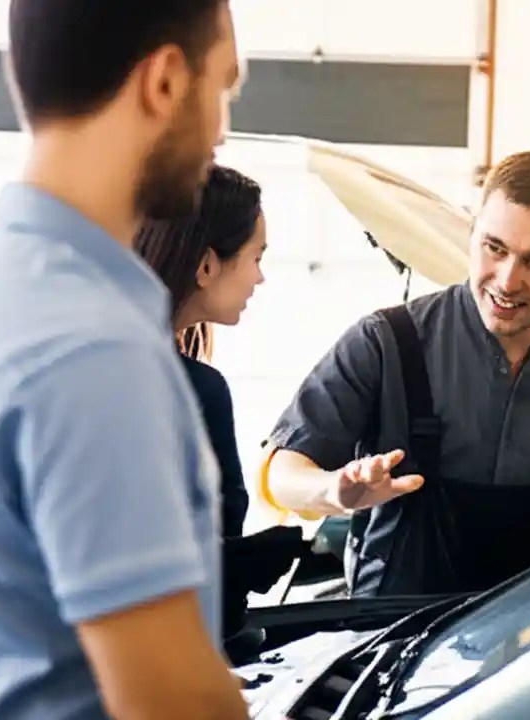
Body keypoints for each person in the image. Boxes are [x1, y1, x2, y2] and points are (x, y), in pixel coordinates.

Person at [0, 2, 250, 718]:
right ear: (167, 82)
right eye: (224, 88)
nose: (222, 127)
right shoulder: (92, 344)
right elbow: (175, 706)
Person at [263, 150, 530, 597]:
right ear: (473, 232)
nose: (508, 281)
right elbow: (283, 475)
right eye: (495, 248)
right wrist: (334, 492)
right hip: (387, 647)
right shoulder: (385, 344)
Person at [133, 163, 308, 665]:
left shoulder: (92, 365)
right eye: (256, 257)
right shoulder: (194, 390)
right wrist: (245, 563)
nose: (260, 275)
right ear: (207, 265)